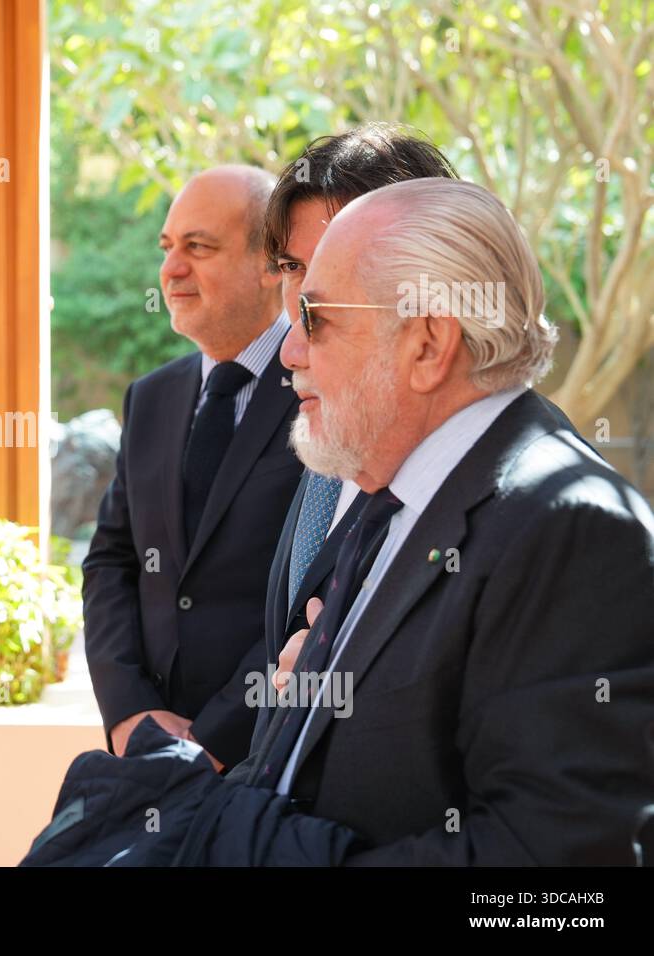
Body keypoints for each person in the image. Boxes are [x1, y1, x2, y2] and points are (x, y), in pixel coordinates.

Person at [226, 178, 654, 864]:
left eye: (317, 317)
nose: (290, 352)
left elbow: (558, 869)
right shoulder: (391, 495)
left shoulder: (572, 530)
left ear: (427, 344)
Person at [82, 165, 302, 772]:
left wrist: (217, 737)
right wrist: (129, 713)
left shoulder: (322, 392)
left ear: (271, 264)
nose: (172, 268)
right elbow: (112, 559)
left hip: (272, 754)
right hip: (149, 753)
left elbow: (326, 586)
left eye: (198, 247)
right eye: (167, 247)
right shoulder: (151, 397)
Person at [254, 125, 458, 744]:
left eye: (334, 270)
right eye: (293, 267)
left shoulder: (529, 508)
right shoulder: (329, 423)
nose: (305, 301)